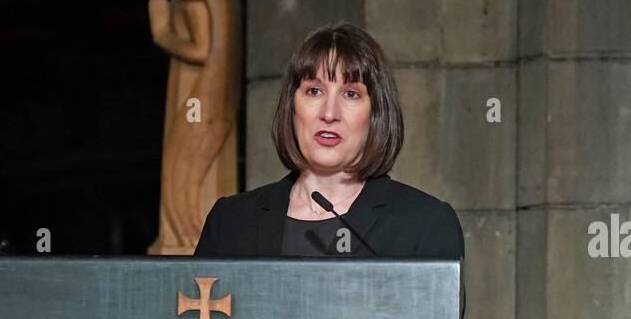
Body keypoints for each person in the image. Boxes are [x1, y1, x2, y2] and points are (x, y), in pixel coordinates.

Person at [194, 22, 464, 272]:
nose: (329, 112)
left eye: (351, 94)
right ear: (292, 106)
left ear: (376, 114)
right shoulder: (229, 221)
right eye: (314, 91)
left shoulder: (424, 225)